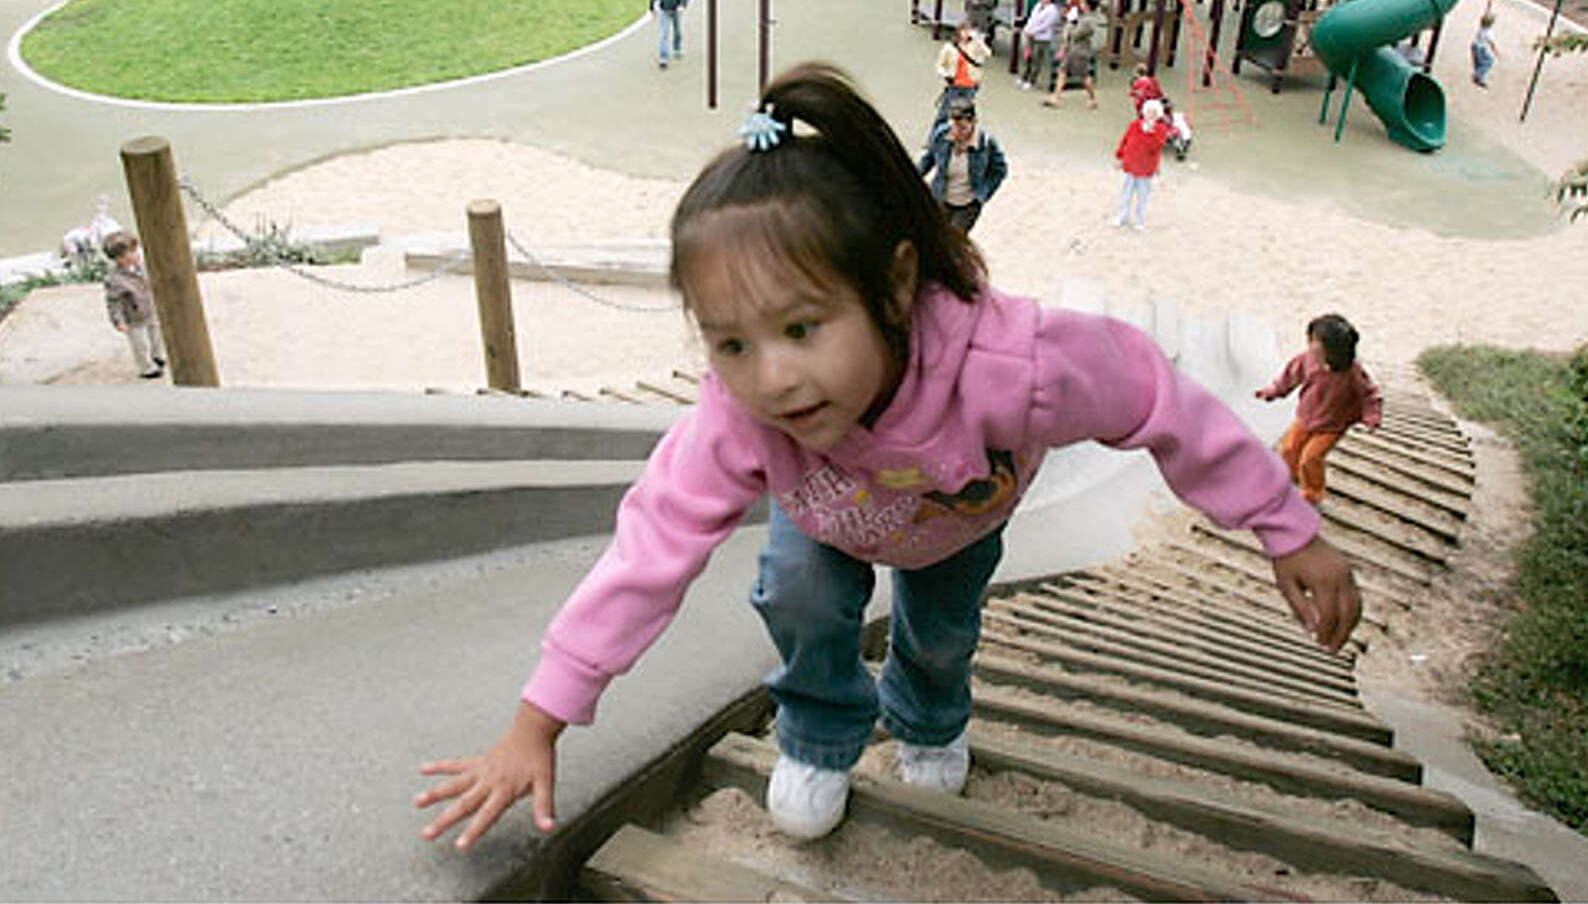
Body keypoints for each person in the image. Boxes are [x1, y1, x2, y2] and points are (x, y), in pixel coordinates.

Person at [415, 63, 1361, 850]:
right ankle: (823, 731)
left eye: (801, 325)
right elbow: (649, 551)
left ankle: (927, 717)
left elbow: (1161, 403)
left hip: (959, 520)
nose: (775, 378)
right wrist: (538, 720)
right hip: (827, 513)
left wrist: (1287, 529)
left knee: (941, 634)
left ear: (897, 283)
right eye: (731, 343)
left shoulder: (1009, 365)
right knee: (796, 590)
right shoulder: (744, 416)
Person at [1255, 314, 1383, 505]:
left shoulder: (1352, 372)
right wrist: (1272, 392)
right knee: (1289, 448)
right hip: (1306, 417)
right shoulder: (1306, 360)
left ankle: (1312, 492)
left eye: (1315, 340)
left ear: (1334, 349)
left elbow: (1369, 394)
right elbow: (1288, 378)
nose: (1309, 343)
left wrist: (1371, 415)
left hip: (1333, 425)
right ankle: (1289, 478)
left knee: (1311, 458)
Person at [917, 99, 1007, 233]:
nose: (957, 132)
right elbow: (929, 159)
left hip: (967, 205)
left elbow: (1000, 170)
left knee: (953, 241)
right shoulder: (942, 134)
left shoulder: (986, 143)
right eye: (954, 126)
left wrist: (984, 193)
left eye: (962, 128)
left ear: (973, 122)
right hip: (940, 197)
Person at [102, 230, 166, 381]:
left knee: (156, 335)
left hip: (150, 309)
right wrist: (118, 321)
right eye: (129, 253)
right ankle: (146, 368)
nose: (135, 255)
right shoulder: (115, 279)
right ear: (118, 258)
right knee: (140, 344)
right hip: (133, 317)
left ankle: (157, 356)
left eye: (135, 251)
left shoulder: (142, 267)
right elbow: (113, 302)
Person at [1111, 97, 1174, 230]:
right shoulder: (1134, 125)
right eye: (1149, 112)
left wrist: (1151, 132)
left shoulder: (1160, 129)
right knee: (1126, 192)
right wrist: (1119, 157)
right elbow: (1125, 141)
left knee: (1143, 195)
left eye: (1154, 112)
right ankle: (1122, 216)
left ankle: (1140, 219)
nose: (1150, 115)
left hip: (1146, 166)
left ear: (1158, 115)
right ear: (1144, 112)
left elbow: (1157, 146)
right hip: (1131, 163)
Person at [1044, 0, 1099, 109]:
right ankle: (1055, 97)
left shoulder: (1088, 21)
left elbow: (1075, 33)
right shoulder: (1082, 16)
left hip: (1080, 52)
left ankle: (1092, 98)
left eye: (1083, 3)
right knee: (1062, 72)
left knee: (1084, 77)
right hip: (1072, 50)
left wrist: (1069, 25)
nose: (1081, 5)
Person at [933, 21, 990, 122]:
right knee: (945, 112)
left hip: (970, 85)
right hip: (955, 84)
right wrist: (946, 75)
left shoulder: (974, 45)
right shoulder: (949, 47)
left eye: (968, 30)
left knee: (965, 114)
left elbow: (987, 54)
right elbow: (939, 65)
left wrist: (978, 40)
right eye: (964, 30)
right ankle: (936, 134)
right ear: (959, 32)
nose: (966, 33)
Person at [1018, 0, 1062, 91]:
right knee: (1028, 57)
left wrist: (1033, 32)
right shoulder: (1037, 6)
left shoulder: (1052, 10)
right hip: (1031, 36)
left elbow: (1046, 25)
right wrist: (1027, 30)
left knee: (1037, 59)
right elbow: (1032, 19)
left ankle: (1032, 80)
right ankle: (1024, 77)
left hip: (1042, 38)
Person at [1471, 11, 1497, 87]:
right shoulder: (1488, 33)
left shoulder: (1481, 28)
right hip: (1480, 48)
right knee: (1489, 61)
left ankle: (1479, 78)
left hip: (1474, 46)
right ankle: (1478, 75)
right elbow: (1491, 43)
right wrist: (1496, 51)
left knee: (1478, 63)